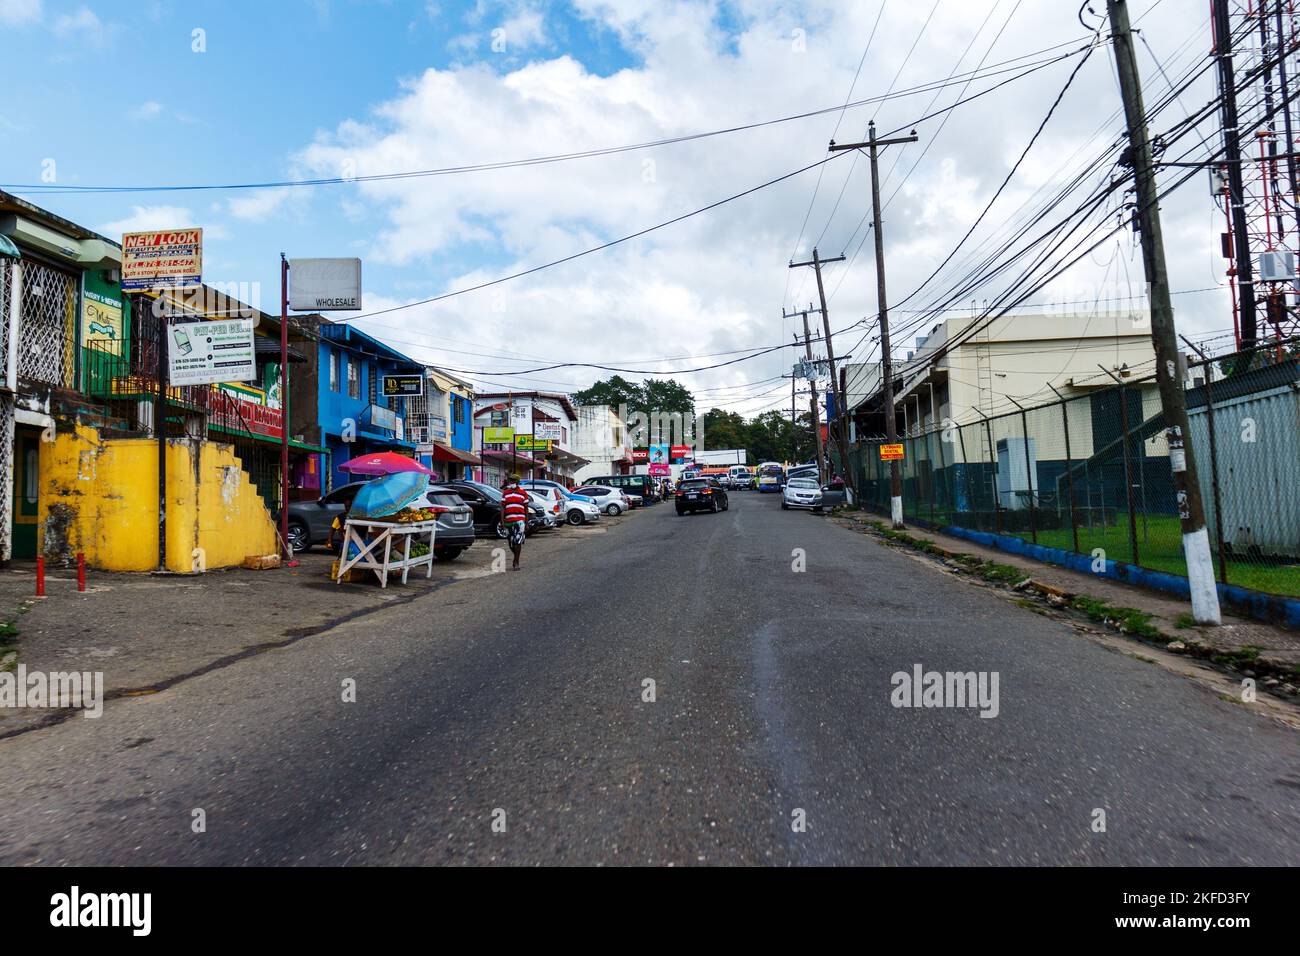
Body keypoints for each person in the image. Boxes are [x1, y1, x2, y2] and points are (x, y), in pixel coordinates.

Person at [500, 472, 530, 569]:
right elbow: (502, 507)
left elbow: (526, 508)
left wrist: (526, 523)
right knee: (510, 542)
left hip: (520, 521)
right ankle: (516, 556)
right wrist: (502, 521)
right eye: (510, 481)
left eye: (513, 481)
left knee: (518, 541)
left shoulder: (523, 493)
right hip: (509, 521)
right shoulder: (505, 493)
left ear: (517, 482)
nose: (511, 482)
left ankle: (516, 562)